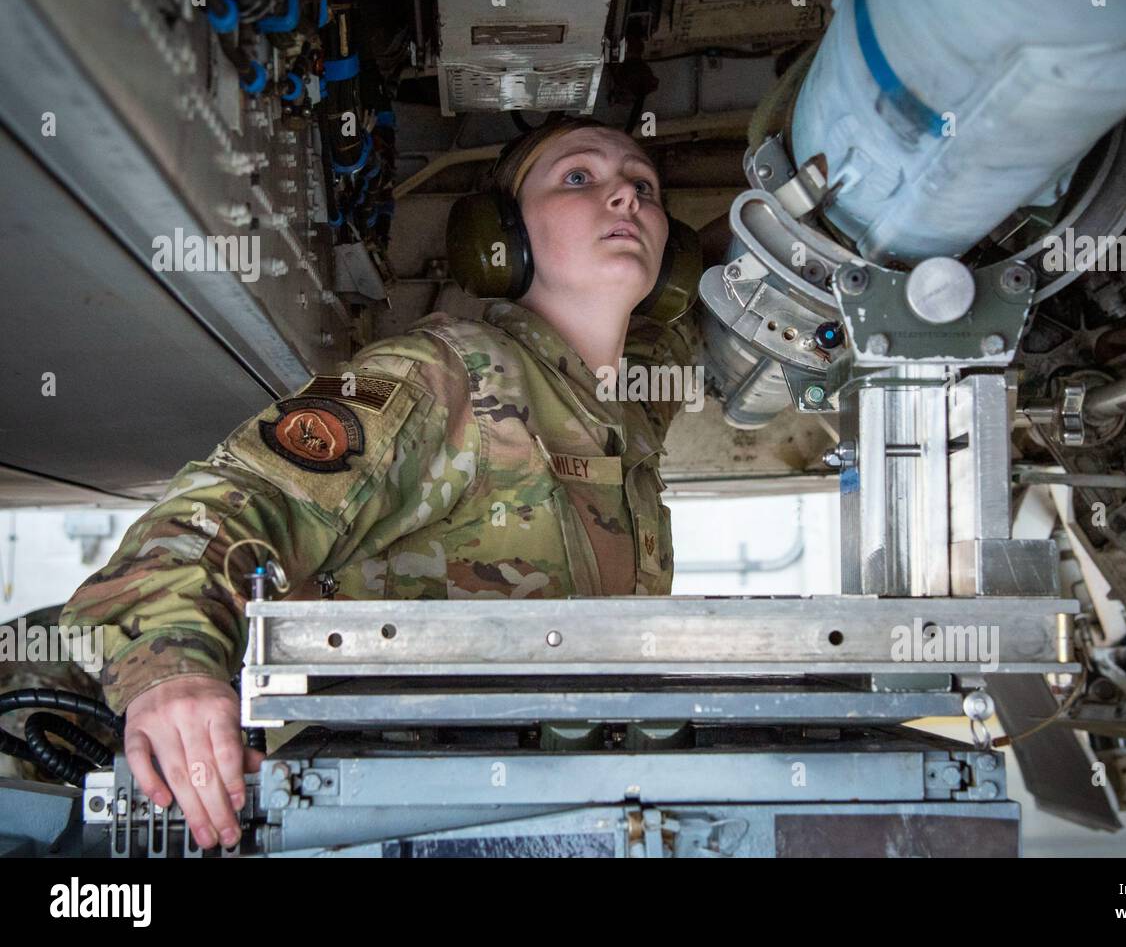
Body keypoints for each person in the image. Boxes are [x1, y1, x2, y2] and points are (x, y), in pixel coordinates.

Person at [52, 115, 703, 850]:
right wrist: (170, 670)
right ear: (503, 239)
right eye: (580, 177)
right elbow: (229, 501)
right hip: (401, 819)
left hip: (564, 816)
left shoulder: (630, 408)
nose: (624, 198)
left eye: (642, 186)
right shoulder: (446, 374)